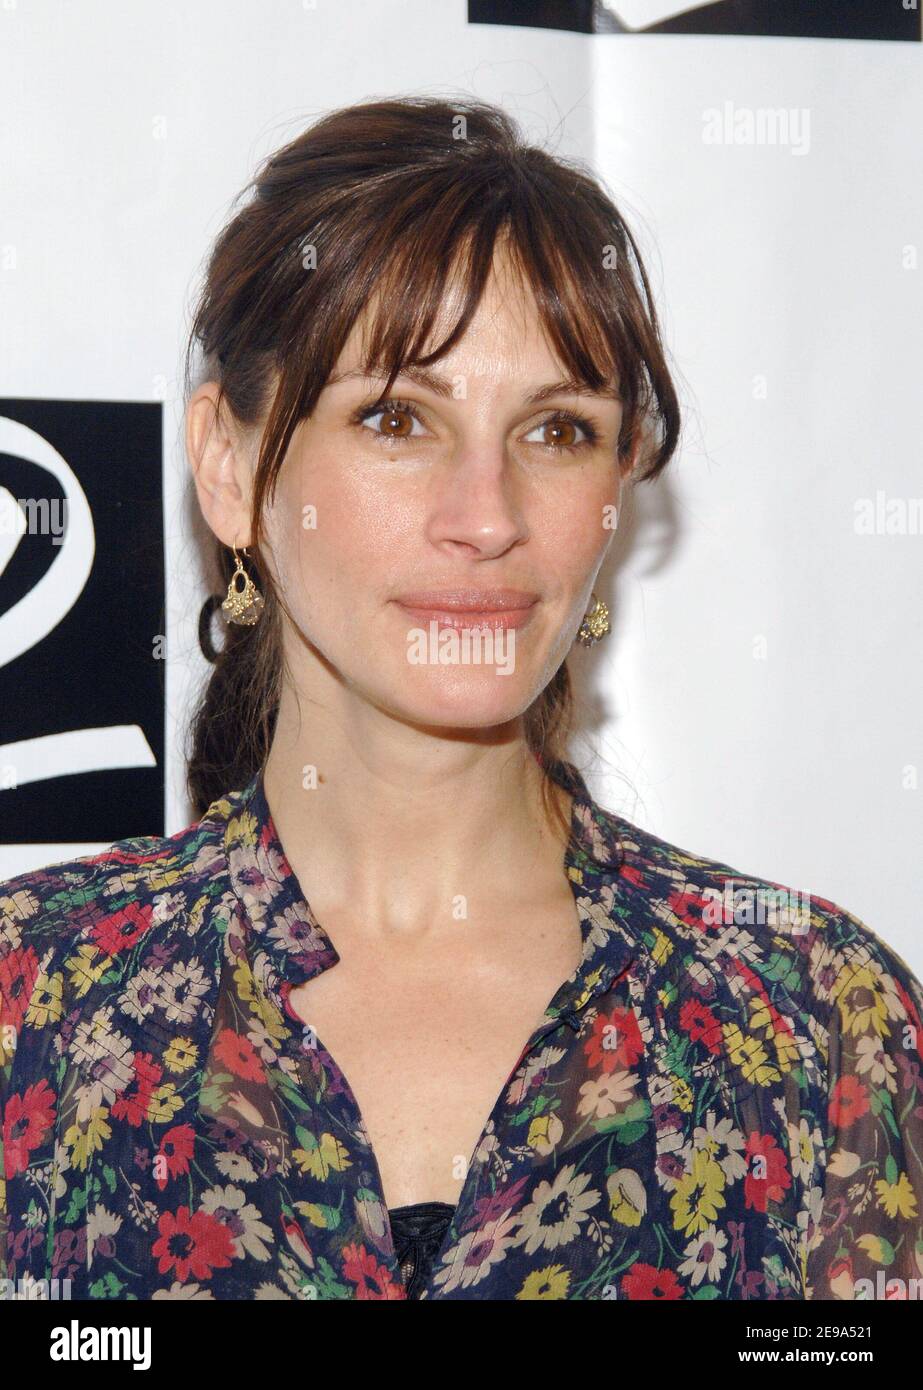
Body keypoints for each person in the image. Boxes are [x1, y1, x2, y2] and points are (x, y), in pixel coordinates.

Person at [2, 96, 921, 1302]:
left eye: (554, 429)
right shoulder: (35, 1002)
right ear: (228, 468)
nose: (486, 516)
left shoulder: (818, 1018)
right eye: (396, 418)